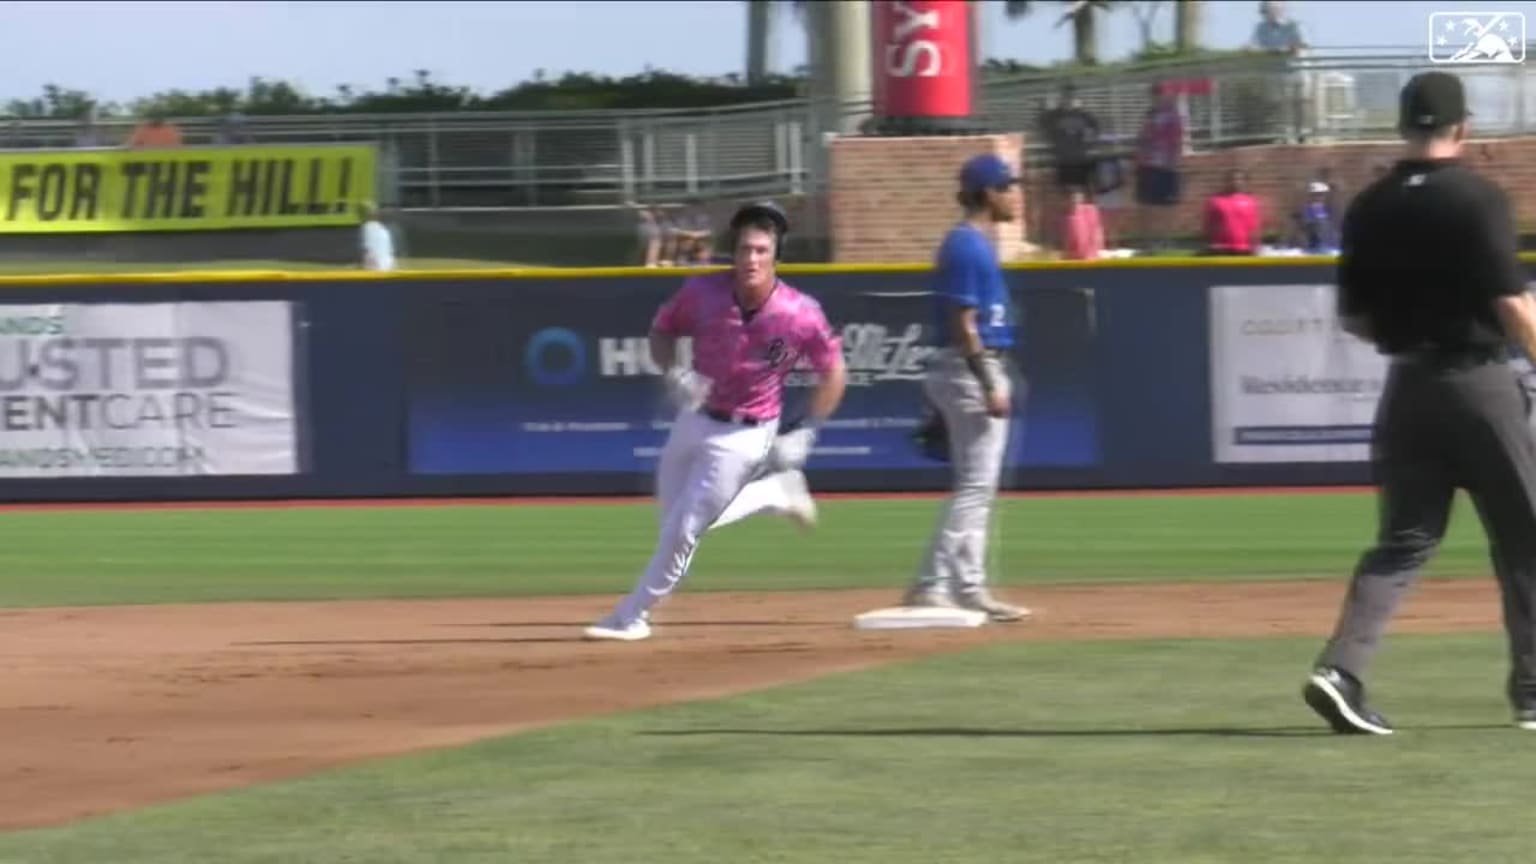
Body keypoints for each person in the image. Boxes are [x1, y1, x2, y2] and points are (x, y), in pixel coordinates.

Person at [1301, 70, 1536, 735]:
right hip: (1481, 384)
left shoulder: (1371, 205)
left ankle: (1341, 669)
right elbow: (1512, 304)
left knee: (1402, 543)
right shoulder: (1477, 198)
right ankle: (1533, 690)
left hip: (1407, 386)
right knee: (1525, 537)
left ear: (1405, 125)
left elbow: (1355, 319)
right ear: (1463, 127)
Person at [583, 201, 848, 642]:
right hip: (695, 417)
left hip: (746, 433)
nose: (752, 259)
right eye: (745, 249)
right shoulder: (703, 293)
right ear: (733, 252)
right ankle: (773, 493)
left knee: (684, 529)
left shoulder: (798, 313)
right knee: (673, 522)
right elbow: (662, 330)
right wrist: (675, 373)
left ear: (775, 256)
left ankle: (633, 615)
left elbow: (835, 370)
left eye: (762, 250)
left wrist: (807, 429)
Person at [899, 154, 1031, 623]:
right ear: (988, 193)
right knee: (976, 488)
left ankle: (969, 588)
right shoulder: (965, 246)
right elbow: (963, 323)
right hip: (968, 367)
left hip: (969, 367)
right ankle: (933, 584)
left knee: (978, 488)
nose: (1017, 193)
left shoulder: (975, 244)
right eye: (1010, 186)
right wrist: (987, 380)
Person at [1202, 169, 1261, 256]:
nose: (1236, 182)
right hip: (1220, 248)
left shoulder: (1250, 202)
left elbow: (1254, 227)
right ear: (1226, 181)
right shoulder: (1215, 201)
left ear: (1244, 182)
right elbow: (1208, 225)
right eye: (1232, 179)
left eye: (1239, 180)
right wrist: (1208, 244)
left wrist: (1255, 247)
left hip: (1243, 249)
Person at [1060, 185, 1104, 261]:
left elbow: (1097, 231)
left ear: (1082, 198)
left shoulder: (1090, 211)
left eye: (1077, 197)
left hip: (1091, 256)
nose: (1074, 200)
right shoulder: (1065, 217)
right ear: (1066, 200)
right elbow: (1066, 242)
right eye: (1071, 198)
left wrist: (1097, 250)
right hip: (1074, 257)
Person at [359, 203, 396, 271]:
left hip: (377, 271)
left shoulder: (367, 227)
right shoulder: (384, 229)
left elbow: (368, 253)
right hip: (389, 269)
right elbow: (391, 254)